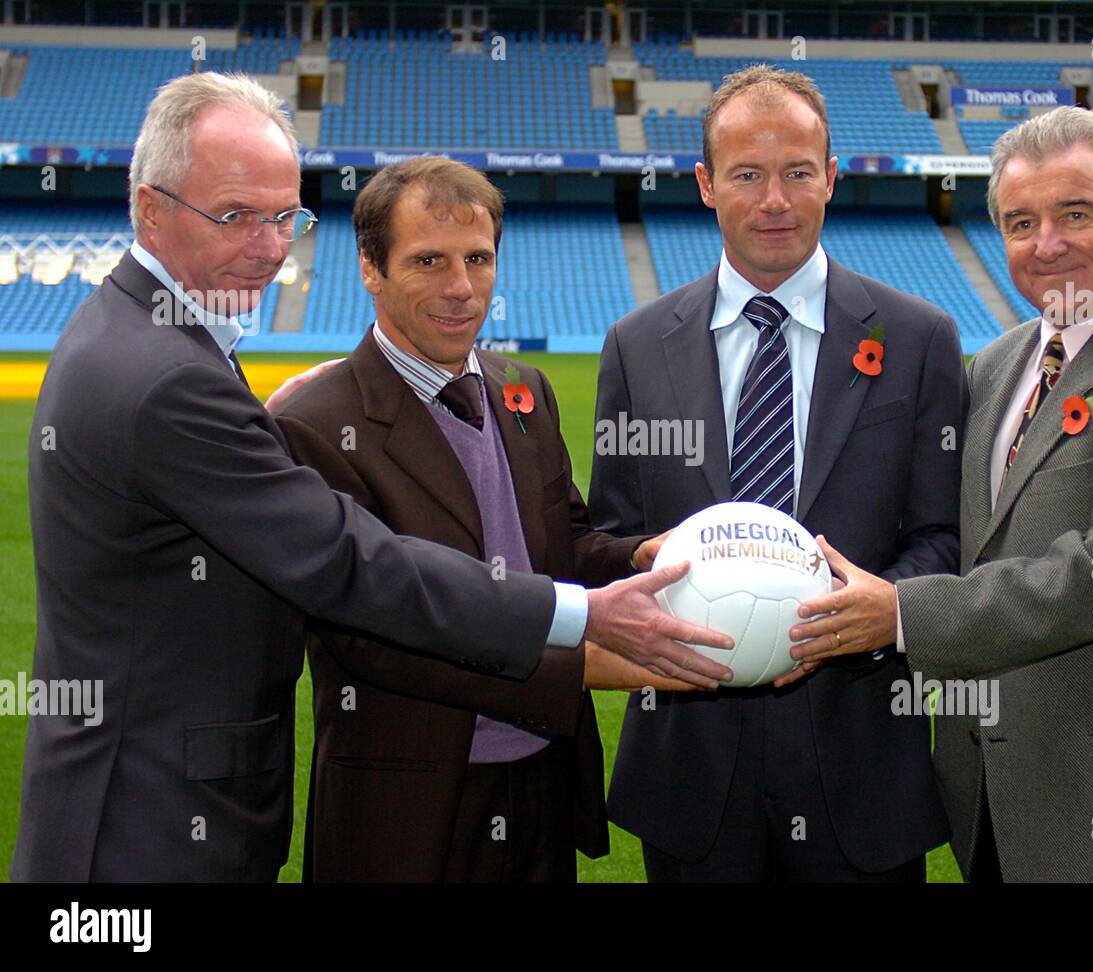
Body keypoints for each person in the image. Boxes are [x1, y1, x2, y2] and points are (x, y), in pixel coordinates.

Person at [13, 72, 730, 883]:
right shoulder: (175, 377)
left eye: (285, 216)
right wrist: (584, 625)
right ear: (150, 208)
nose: (268, 245)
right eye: (234, 215)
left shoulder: (148, 338)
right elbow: (351, 569)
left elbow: (555, 536)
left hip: (168, 799)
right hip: (148, 820)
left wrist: (633, 564)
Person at [790, 106, 1093, 882]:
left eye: (1074, 214)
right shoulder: (1000, 362)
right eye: (1020, 223)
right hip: (989, 794)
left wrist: (900, 613)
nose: (1046, 245)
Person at [588, 65, 966, 882]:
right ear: (704, 183)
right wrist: (650, 566)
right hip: (690, 763)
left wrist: (877, 612)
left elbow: (943, 535)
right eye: (747, 175)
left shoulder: (919, 338)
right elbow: (608, 535)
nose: (774, 201)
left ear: (831, 177)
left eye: (798, 172)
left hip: (860, 762)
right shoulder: (635, 345)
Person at [273, 157, 688, 882]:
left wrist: (643, 559)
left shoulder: (523, 389)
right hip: (406, 801)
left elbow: (565, 544)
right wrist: (579, 666)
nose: (461, 289)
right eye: (427, 261)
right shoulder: (315, 422)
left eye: (478, 258)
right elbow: (370, 633)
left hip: (541, 777)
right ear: (371, 268)